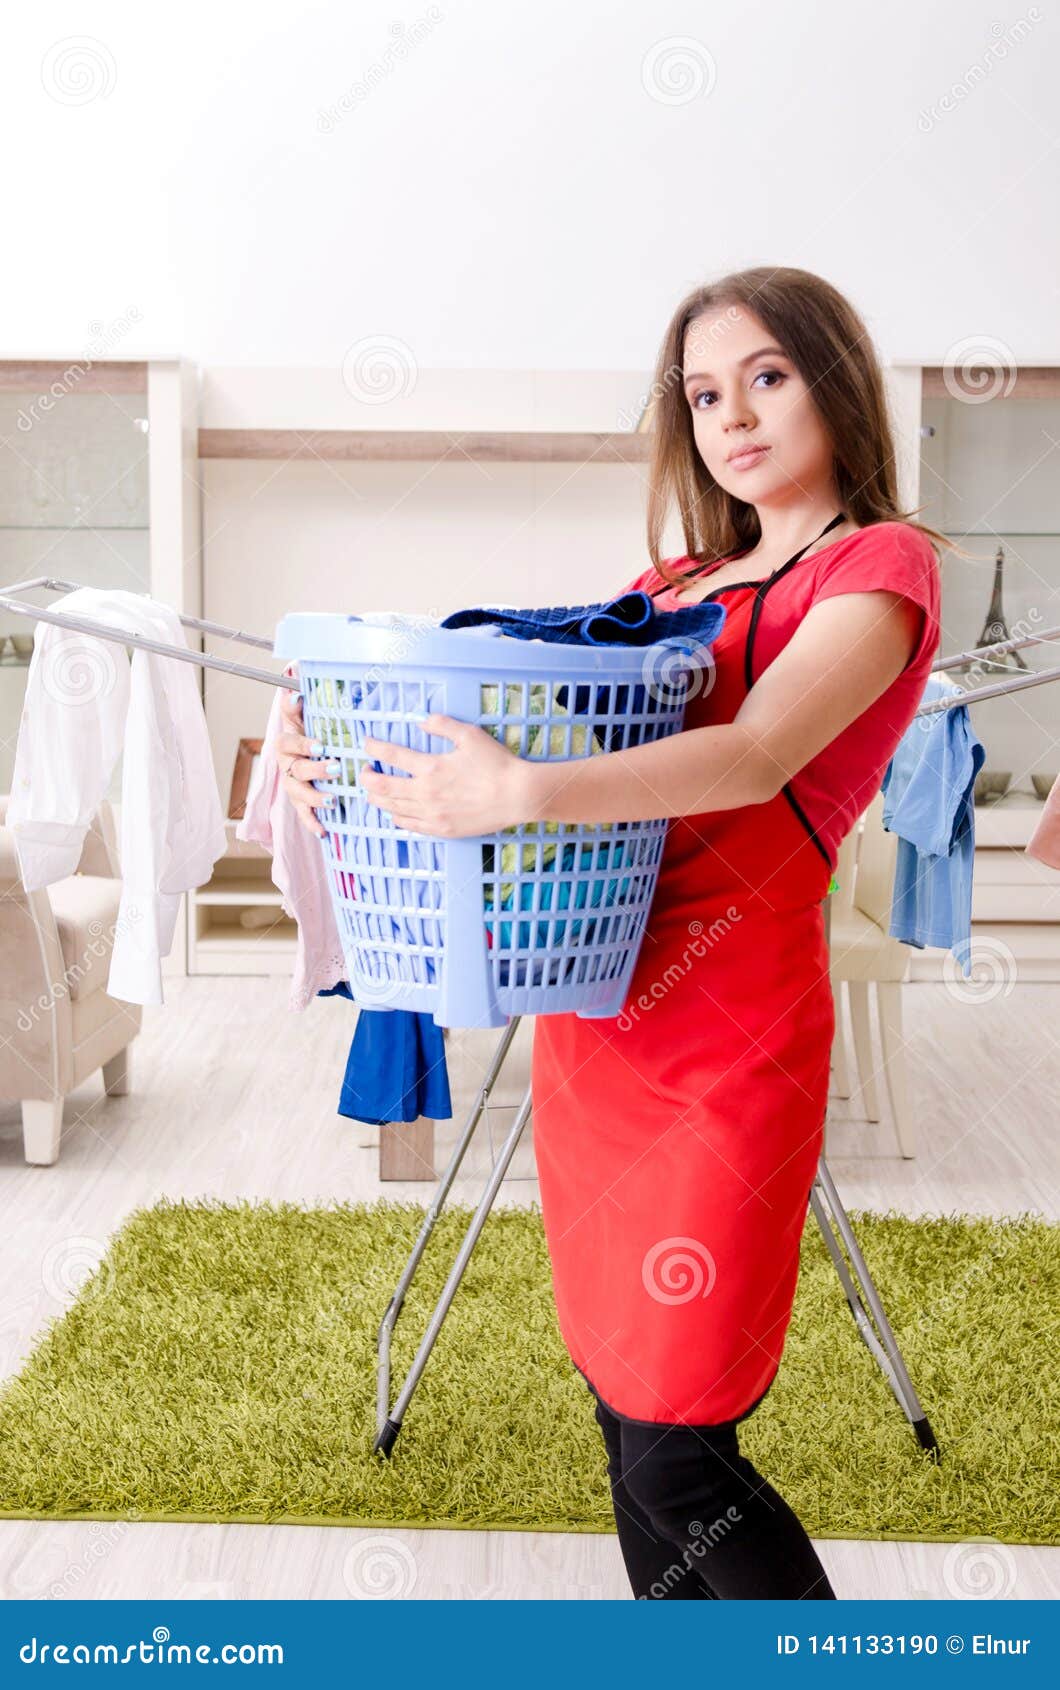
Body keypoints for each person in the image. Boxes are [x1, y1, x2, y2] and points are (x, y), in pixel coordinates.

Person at [275, 266, 949, 1600]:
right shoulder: (678, 579)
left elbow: (756, 755)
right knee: (623, 1410)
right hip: (603, 1022)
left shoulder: (881, 564)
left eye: (767, 375)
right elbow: (533, 712)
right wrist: (343, 755)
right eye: (705, 393)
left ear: (837, 380)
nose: (734, 417)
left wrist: (517, 789)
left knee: (678, 1450)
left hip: (730, 1034)